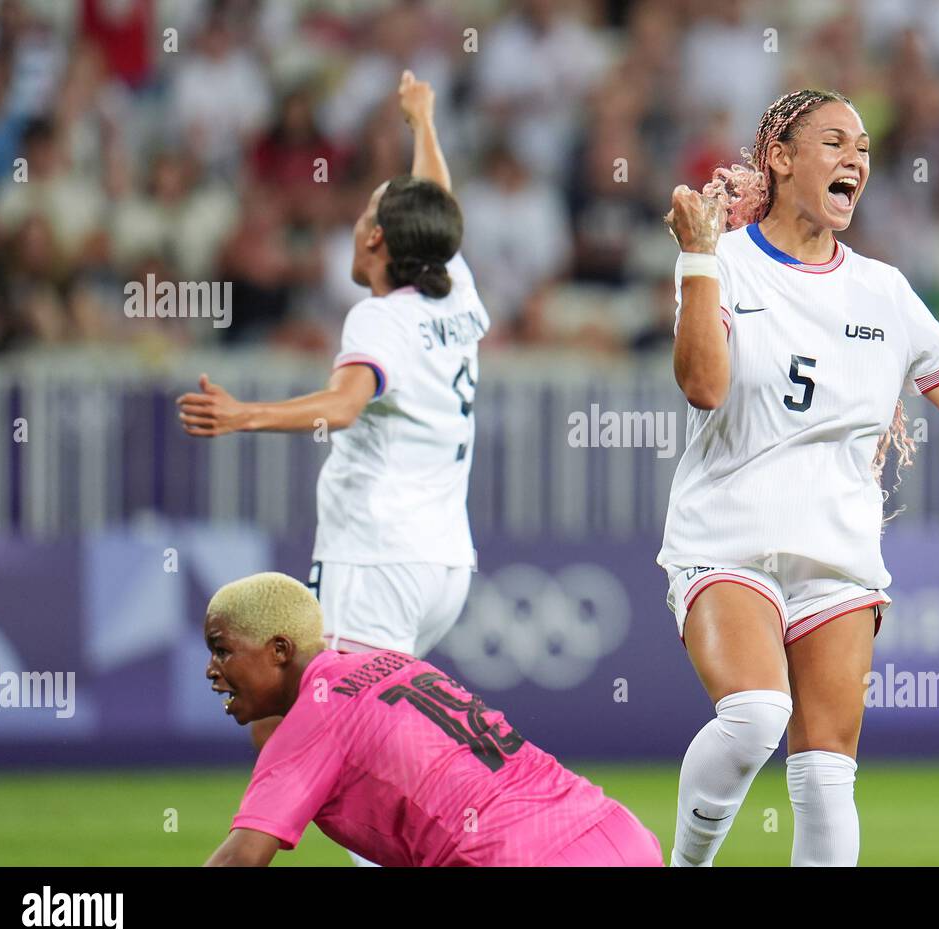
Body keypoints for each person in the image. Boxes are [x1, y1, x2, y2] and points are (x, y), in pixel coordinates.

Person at [659, 89, 939, 867]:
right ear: (781, 158)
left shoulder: (883, 291)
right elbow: (701, 385)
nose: (855, 160)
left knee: (827, 775)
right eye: (834, 142)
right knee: (757, 713)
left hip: (837, 551)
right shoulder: (723, 259)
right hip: (727, 537)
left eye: (863, 148)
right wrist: (695, 259)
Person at [178, 71, 482, 668]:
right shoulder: (457, 294)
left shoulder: (379, 319)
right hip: (444, 564)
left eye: (368, 212)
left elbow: (343, 406)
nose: (356, 220)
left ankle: (508, 768)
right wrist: (423, 123)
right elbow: (435, 200)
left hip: (375, 556)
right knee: (349, 725)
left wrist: (245, 415)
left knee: (326, 719)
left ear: (376, 239)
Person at [202, 572, 663, 867]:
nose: (211, 669)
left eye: (222, 650)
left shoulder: (312, 722)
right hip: (620, 835)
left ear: (279, 650)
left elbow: (241, 858)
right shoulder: (393, 664)